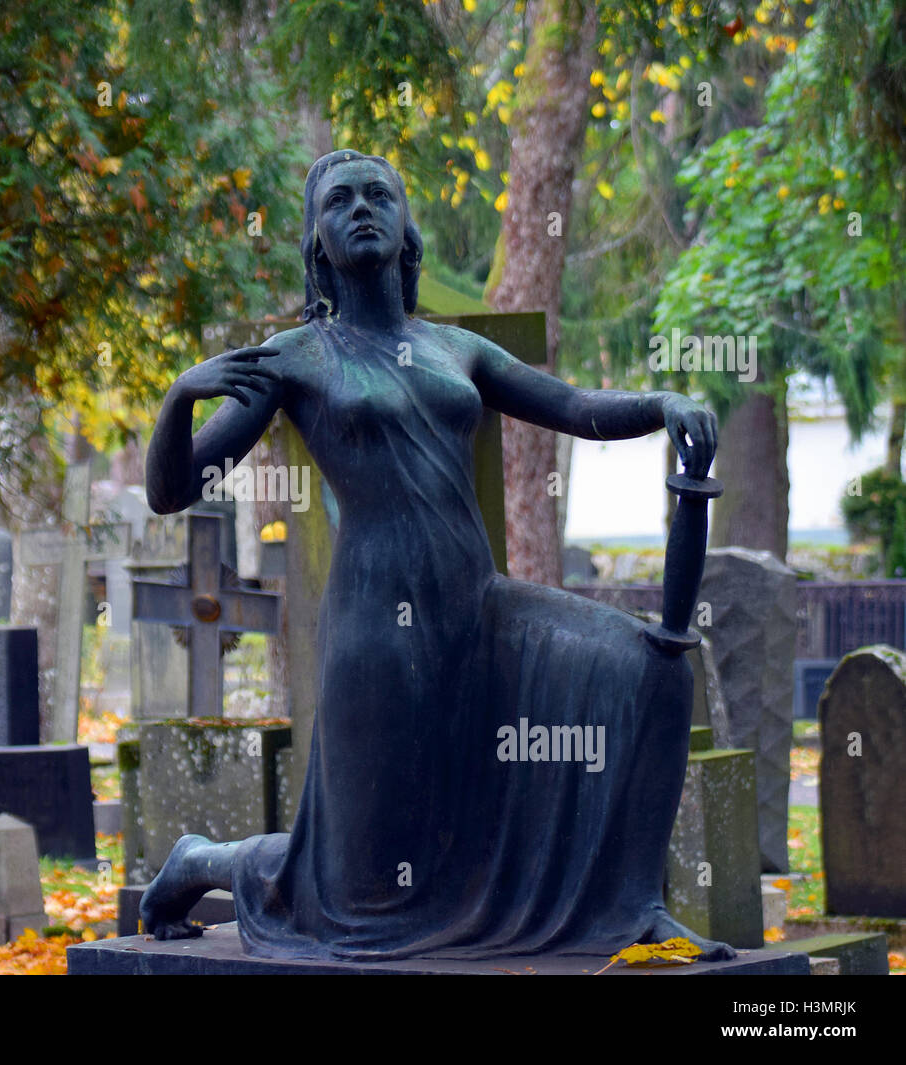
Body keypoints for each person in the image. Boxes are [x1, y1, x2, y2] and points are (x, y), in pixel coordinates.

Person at [140, 149, 730, 962]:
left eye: (379, 195)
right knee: (360, 890)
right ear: (317, 242)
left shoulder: (457, 352)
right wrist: (180, 398)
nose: (362, 209)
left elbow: (574, 407)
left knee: (656, 674)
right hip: (377, 632)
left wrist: (665, 402)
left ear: (408, 226)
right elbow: (173, 490)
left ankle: (634, 903)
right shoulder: (295, 357)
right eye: (340, 200)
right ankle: (200, 861)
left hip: (481, 609)